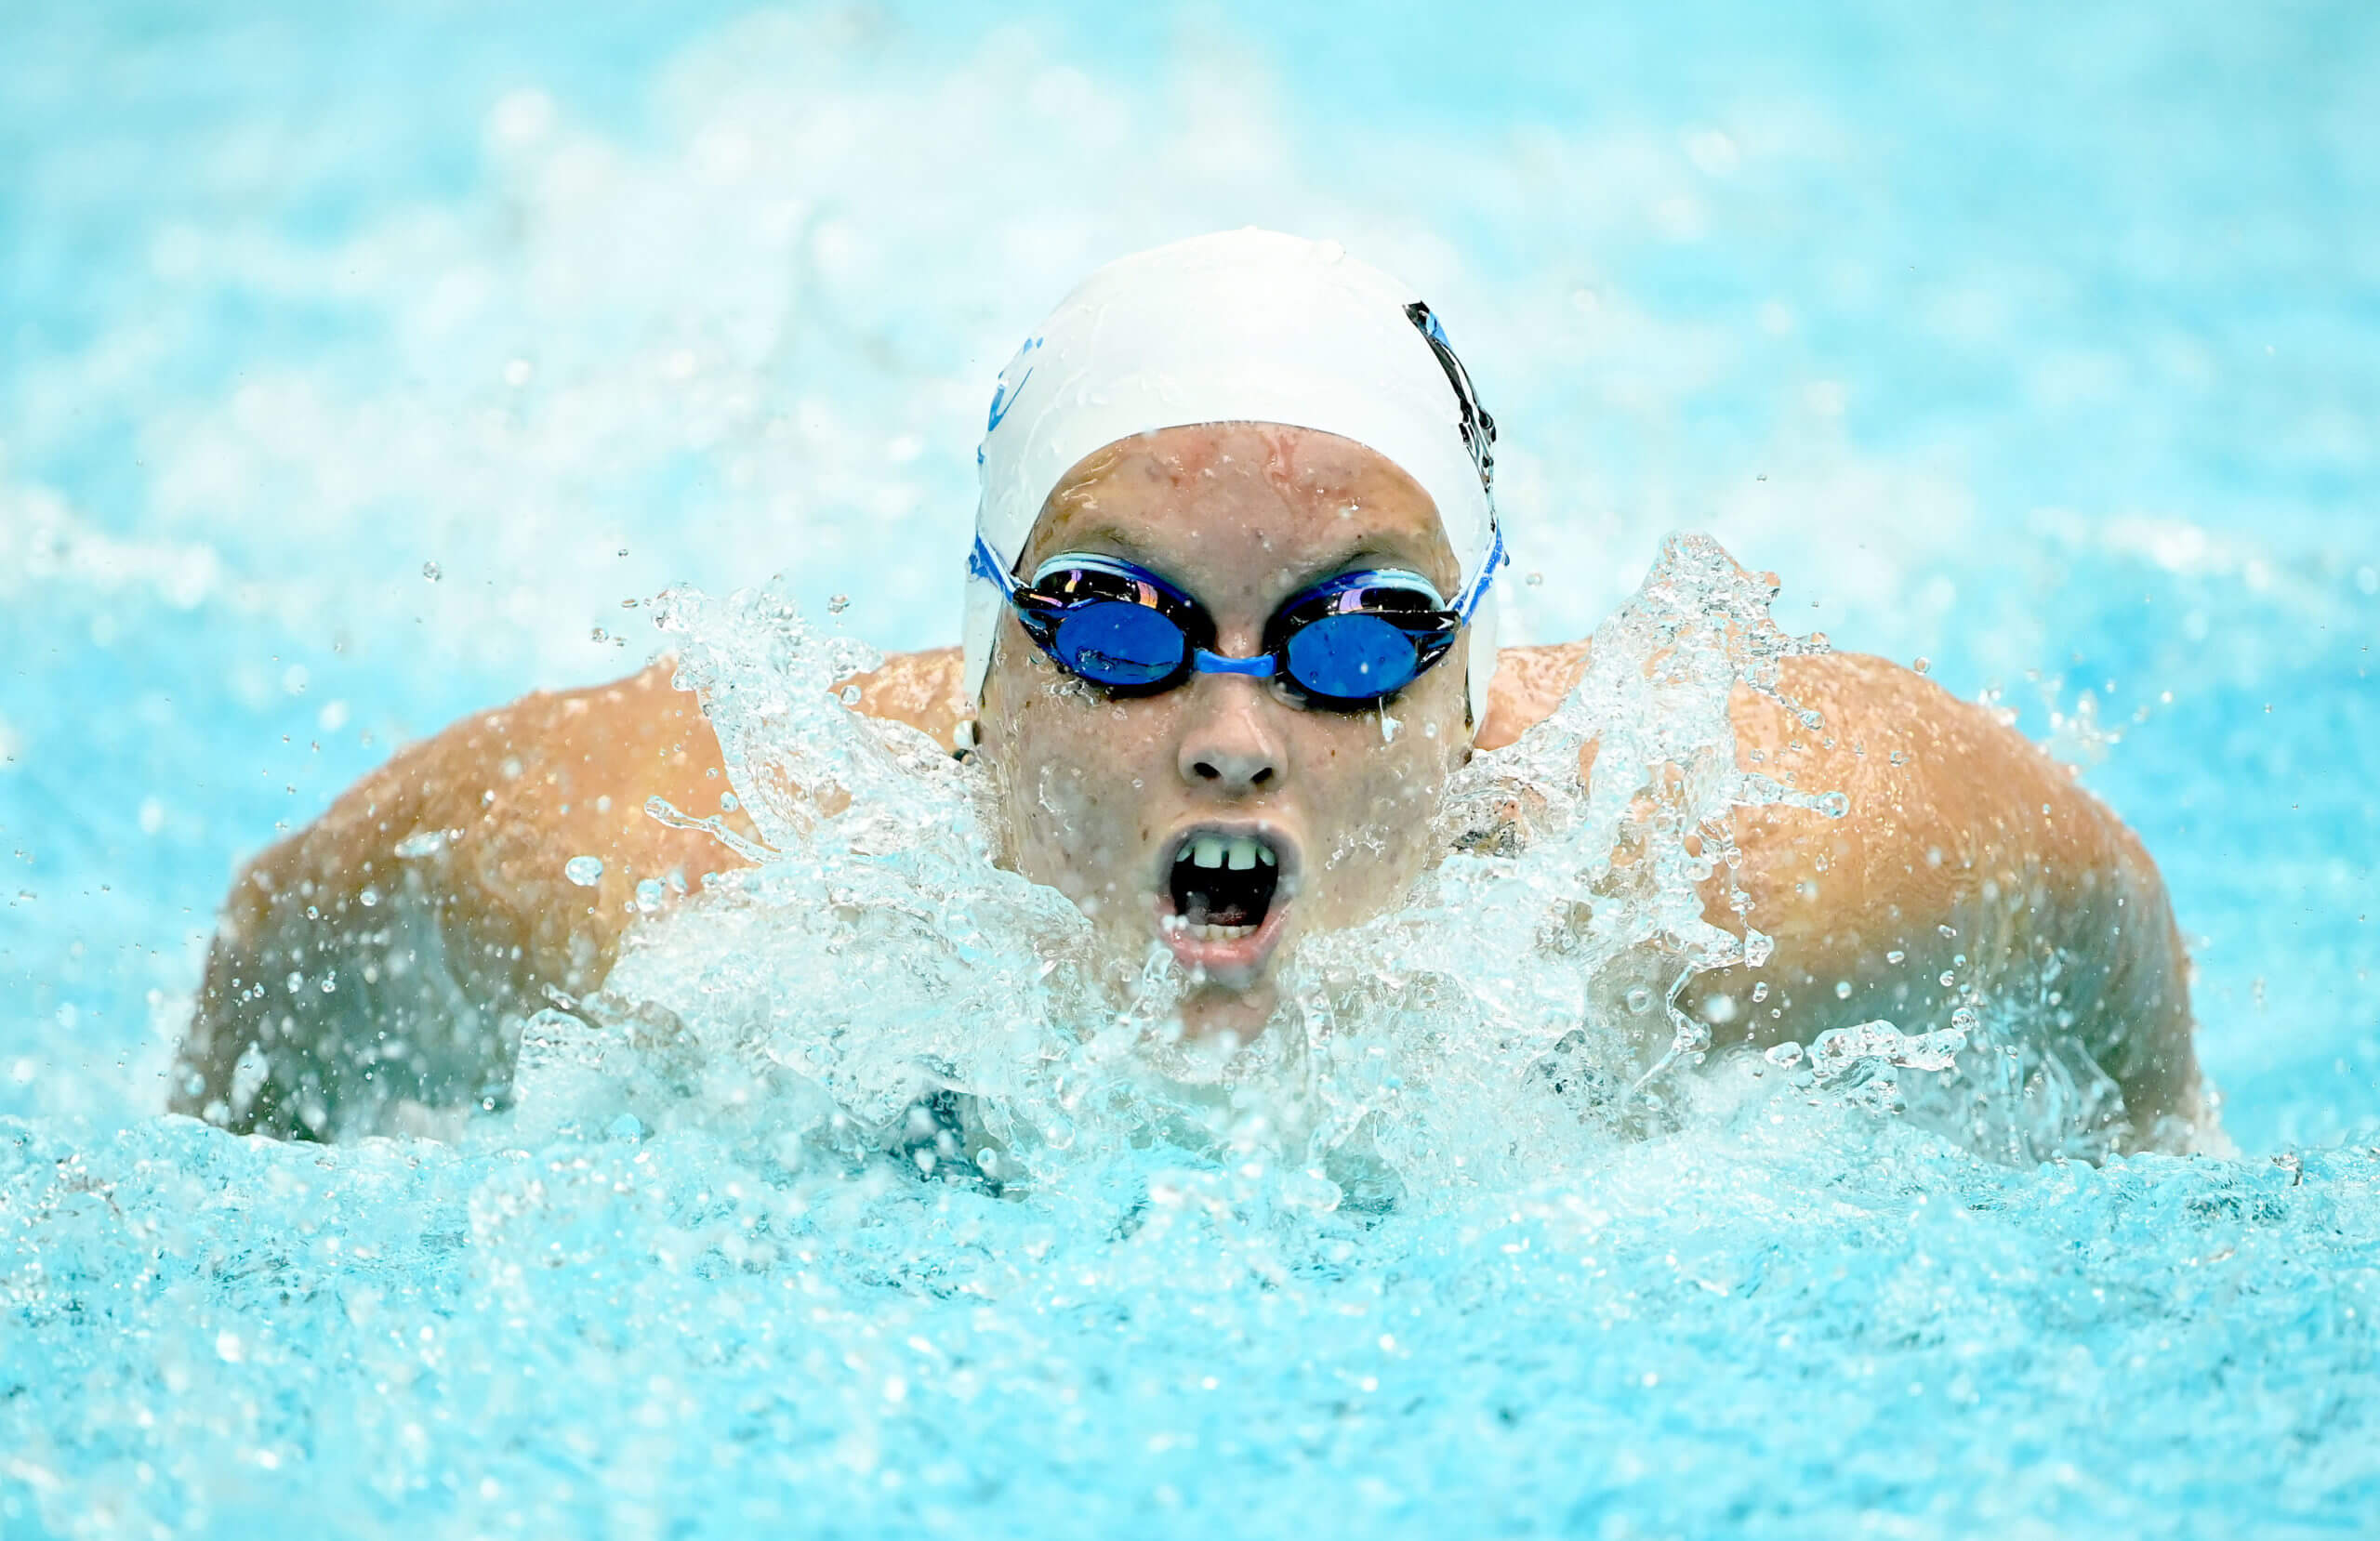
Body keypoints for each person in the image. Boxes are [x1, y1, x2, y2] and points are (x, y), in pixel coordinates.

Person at [168, 230, 2216, 1151]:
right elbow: (284, 942)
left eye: (1354, 636)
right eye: (1121, 626)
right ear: (986, 666)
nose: (1235, 731)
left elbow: (2104, 937)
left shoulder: (1758, 866)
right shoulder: (657, 870)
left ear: (1474, 693)